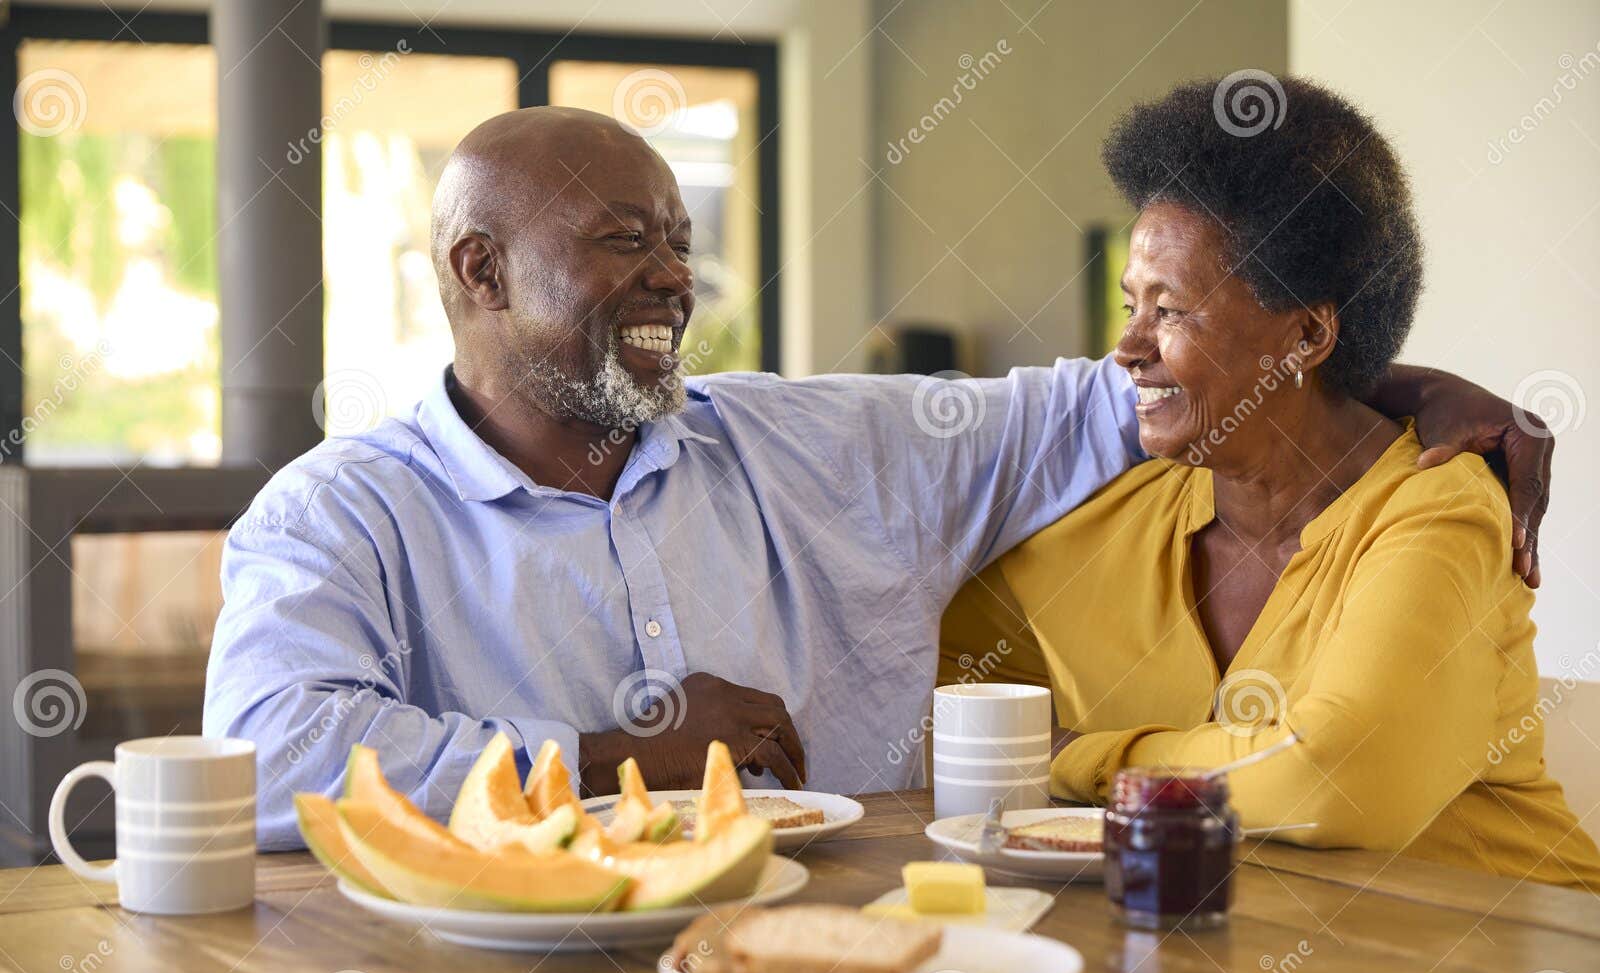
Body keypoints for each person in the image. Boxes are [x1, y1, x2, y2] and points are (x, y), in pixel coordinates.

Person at [203, 106, 1554, 850]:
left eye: (680, 242)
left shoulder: (820, 446)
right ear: (476, 271)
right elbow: (264, 757)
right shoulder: (341, 517)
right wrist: (610, 759)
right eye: (625, 242)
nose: (675, 274)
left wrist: (1395, 385)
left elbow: (1157, 386)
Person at [939, 78, 1600, 888]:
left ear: (1309, 333)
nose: (1128, 347)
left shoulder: (1437, 510)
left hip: (1516, 969)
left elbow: (1333, 780)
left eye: (1171, 311)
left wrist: (1081, 761)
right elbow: (941, 687)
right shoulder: (1113, 523)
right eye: (1130, 305)